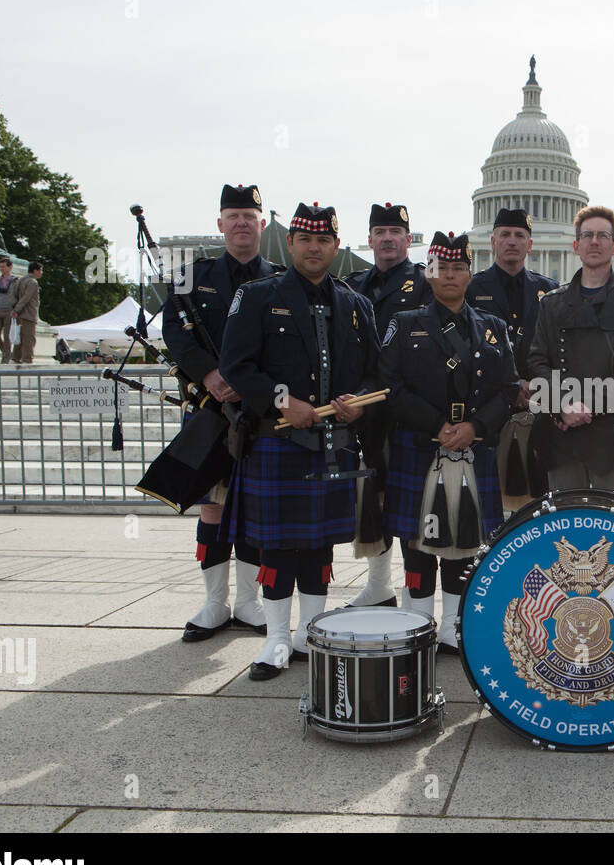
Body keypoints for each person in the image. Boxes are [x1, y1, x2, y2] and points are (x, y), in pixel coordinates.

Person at [219, 202, 380, 681]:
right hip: (277, 440)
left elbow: (376, 371)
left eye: (323, 240)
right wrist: (282, 399)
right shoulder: (257, 297)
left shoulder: (356, 305)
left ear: (335, 245)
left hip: (334, 439)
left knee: (317, 547)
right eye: (305, 239)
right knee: (278, 546)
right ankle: (274, 640)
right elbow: (237, 366)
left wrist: (362, 402)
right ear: (290, 244)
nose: (314, 247)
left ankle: (311, 633)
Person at [380, 232, 518, 651]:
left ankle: (452, 629)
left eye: (459, 267)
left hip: (474, 446)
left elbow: (510, 389)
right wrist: (438, 426)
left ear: (470, 274)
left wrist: (475, 427)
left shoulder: (493, 328)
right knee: (418, 544)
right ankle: (419, 623)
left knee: (464, 541)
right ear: (428, 273)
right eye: (443, 267)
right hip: (421, 445)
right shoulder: (404, 325)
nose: (451, 275)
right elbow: (389, 387)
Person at [162, 184, 279, 643]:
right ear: (220, 224)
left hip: (259, 412)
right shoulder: (193, 276)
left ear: (262, 224)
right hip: (211, 408)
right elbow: (176, 332)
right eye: (233, 216)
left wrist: (254, 386)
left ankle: (249, 602)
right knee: (212, 506)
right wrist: (208, 374)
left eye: (249, 216)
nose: (241, 223)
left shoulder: (280, 278)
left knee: (252, 507)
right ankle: (215, 601)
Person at [528, 206, 614, 491]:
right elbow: (538, 362)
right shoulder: (551, 303)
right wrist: (563, 404)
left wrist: (586, 407)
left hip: (613, 439)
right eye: (587, 235)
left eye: (603, 235)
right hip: (561, 436)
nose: (595, 241)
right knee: (564, 531)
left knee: (610, 530)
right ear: (576, 245)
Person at [344, 203, 430, 610]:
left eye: (396, 232)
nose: (388, 239)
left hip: (404, 411)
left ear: (408, 240)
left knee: (410, 505)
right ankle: (379, 586)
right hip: (361, 410)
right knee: (372, 501)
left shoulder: (425, 282)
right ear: (370, 238)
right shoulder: (351, 284)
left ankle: (417, 593)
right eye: (380, 231)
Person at [468, 207, 558, 508]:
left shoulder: (550, 291)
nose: (512, 241)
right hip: (488, 409)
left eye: (519, 235)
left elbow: (559, 348)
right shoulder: (472, 289)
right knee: (489, 506)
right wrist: (510, 383)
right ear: (492, 240)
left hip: (539, 406)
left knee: (538, 502)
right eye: (505, 234)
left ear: (529, 244)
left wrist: (536, 383)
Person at [9, 262, 42, 364]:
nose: (41, 273)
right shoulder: (32, 282)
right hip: (28, 315)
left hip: (19, 315)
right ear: (35, 270)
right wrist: (16, 309)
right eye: (40, 270)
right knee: (29, 339)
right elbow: (26, 298)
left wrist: (15, 308)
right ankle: (27, 360)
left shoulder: (20, 280)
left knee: (19, 338)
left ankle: (15, 358)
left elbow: (12, 296)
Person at [0, 258, 17, 363]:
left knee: (7, 337)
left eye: (3, 267)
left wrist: (15, 309)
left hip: (8, 311)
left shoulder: (15, 281)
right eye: (0, 267)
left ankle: (5, 360)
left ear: (10, 267)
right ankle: (7, 353)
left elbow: (17, 295)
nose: (1, 269)